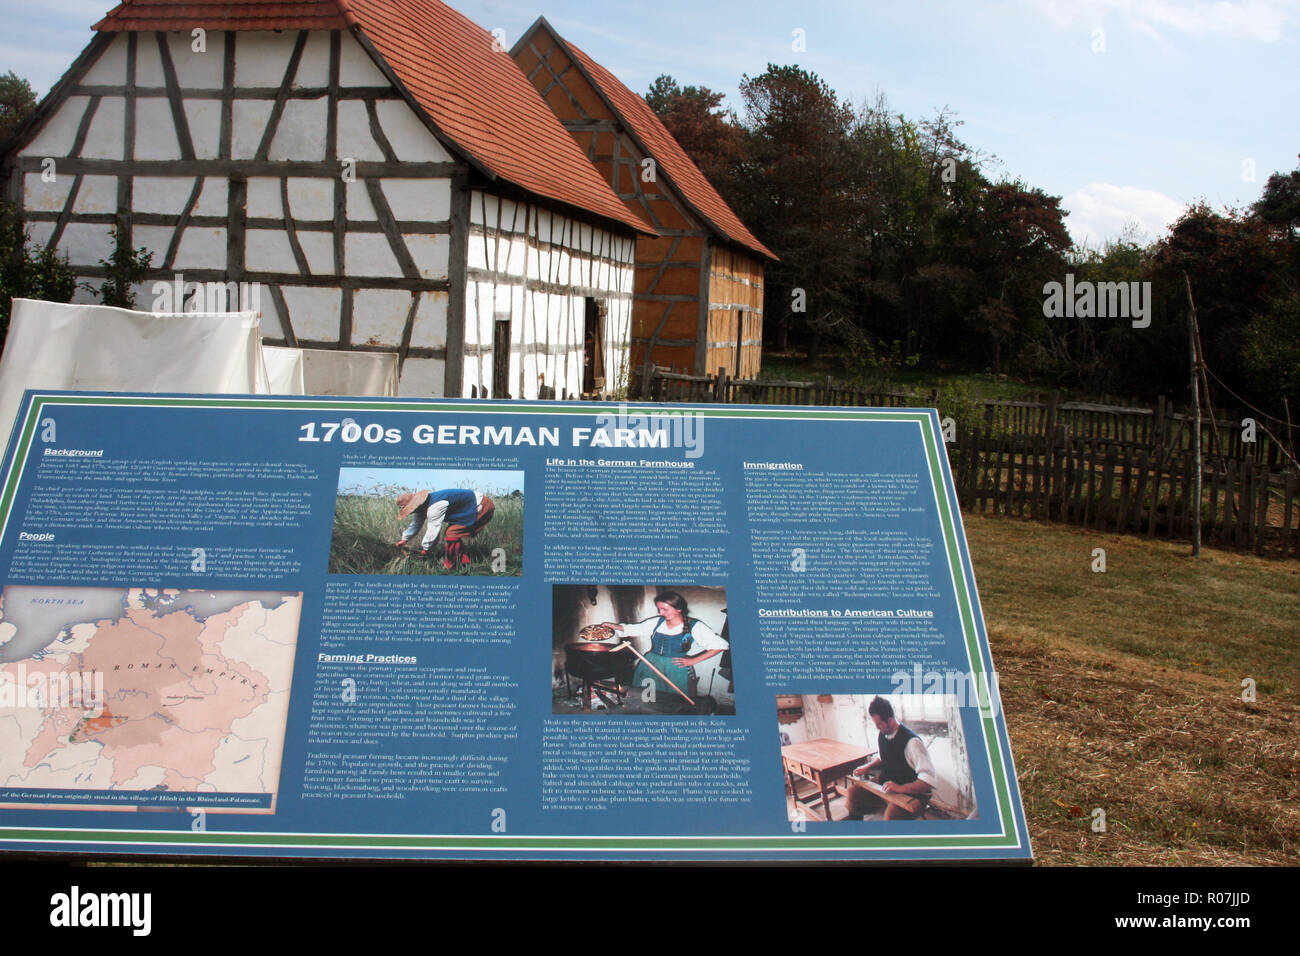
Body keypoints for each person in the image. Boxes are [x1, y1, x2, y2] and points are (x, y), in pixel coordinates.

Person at [602, 591, 727, 707]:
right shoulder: (657, 622)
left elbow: (720, 645)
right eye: (659, 609)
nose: (660, 613)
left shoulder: (695, 626)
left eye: (664, 609)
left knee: (671, 700)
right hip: (650, 664)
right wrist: (614, 626)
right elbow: (635, 628)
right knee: (647, 696)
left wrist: (692, 660)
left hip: (675, 668)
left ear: (679, 609)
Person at [845, 696, 936, 821]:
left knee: (892, 816)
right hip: (888, 785)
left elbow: (927, 781)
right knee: (854, 793)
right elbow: (883, 757)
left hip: (911, 792)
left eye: (880, 724)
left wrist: (900, 788)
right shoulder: (883, 734)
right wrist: (866, 767)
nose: (878, 727)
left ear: (890, 720)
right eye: (875, 724)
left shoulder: (912, 743)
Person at [393, 489, 494, 569]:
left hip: (480, 505)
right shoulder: (422, 506)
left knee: (452, 533)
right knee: (453, 532)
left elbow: (433, 529)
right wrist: (404, 539)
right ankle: (463, 561)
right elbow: (416, 524)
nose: (412, 512)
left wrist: (426, 549)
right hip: (469, 507)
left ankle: (451, 564)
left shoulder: (435, 506)